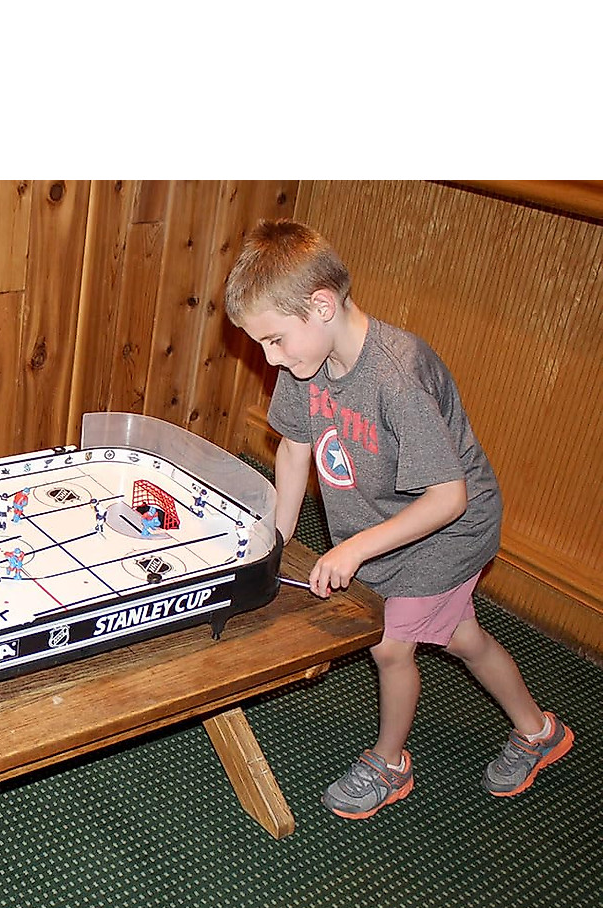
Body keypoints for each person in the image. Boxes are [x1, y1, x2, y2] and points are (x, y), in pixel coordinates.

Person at [224, 219, 573, 819]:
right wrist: (277, 542)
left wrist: (355, 549)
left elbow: (448, 497)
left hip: (449, 529)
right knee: (459, 634)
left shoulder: (396, 374)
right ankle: (539, 730)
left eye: (276, 340)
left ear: (321, 306)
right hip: (386, 518)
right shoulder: (302, 365)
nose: (269, 357)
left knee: (390, 645)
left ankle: (388, 765)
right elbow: (293, 448)